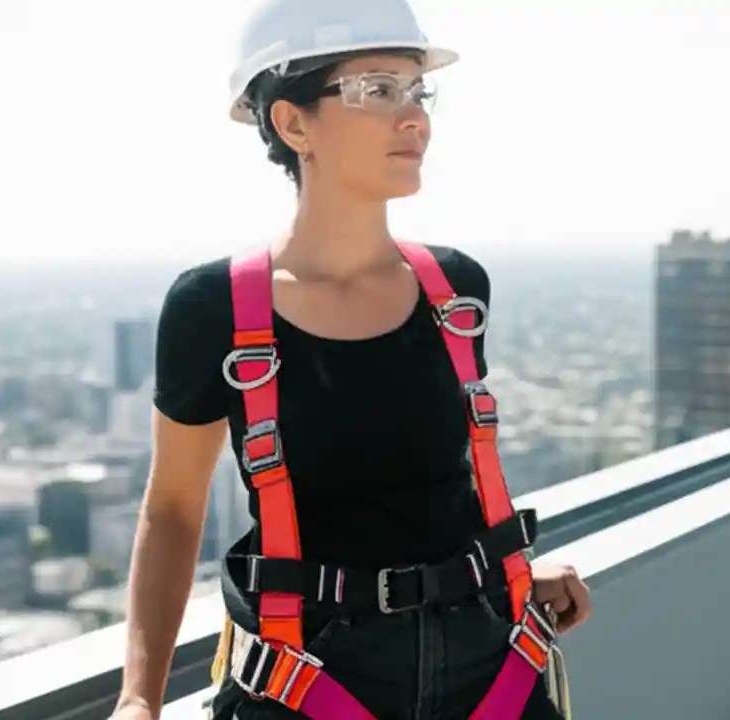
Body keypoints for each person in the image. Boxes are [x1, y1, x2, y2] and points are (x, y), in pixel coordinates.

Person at [110, 1, 591, 718]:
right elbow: (174, 511)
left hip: (486, 659)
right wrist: (138, 699)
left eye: (417, 90)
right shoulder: (214, 309)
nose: (415, 117)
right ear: (292, 123)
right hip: (311, 674)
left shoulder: (456, 290)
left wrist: (499, 574)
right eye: (377, 89)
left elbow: (436, 484)